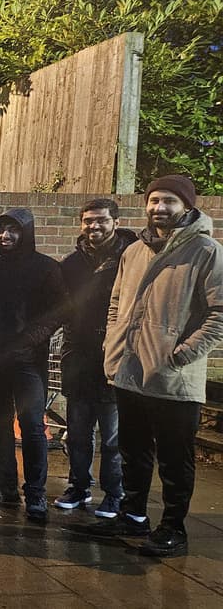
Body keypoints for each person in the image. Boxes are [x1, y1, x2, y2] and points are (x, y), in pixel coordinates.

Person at [79, 176, 223, 557]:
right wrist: (114, 344)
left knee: (175, 459)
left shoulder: (206, 251)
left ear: (187, 207)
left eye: (169, 202)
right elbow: (116, 305)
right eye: (154, 200)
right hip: (131, 373)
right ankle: (133, 516)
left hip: (174, 379)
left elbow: (219, 314)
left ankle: (173, 528)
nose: (159, 208)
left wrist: (180, 354)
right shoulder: (134, 251)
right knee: (133, 452)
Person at [0, 208, 67, 522]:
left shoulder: (46, 268)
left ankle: (36, 493)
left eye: (12, 230)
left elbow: (59, 310)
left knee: (31, 426)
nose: (5, 237)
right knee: (0, 424)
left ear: (26, 232)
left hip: (29, 361)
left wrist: (32, 338)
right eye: (1, 230)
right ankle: (6, 486)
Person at [55, 199, 136, 517]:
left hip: (115, 357)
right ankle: (79, 485)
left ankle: (115, 493)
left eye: (101, 221)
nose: (94, 226)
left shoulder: (129, 258)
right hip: (80, 359)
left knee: (113, 436)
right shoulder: (71, 265)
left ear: (116, 222)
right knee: (78, 431)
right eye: (88, 221)